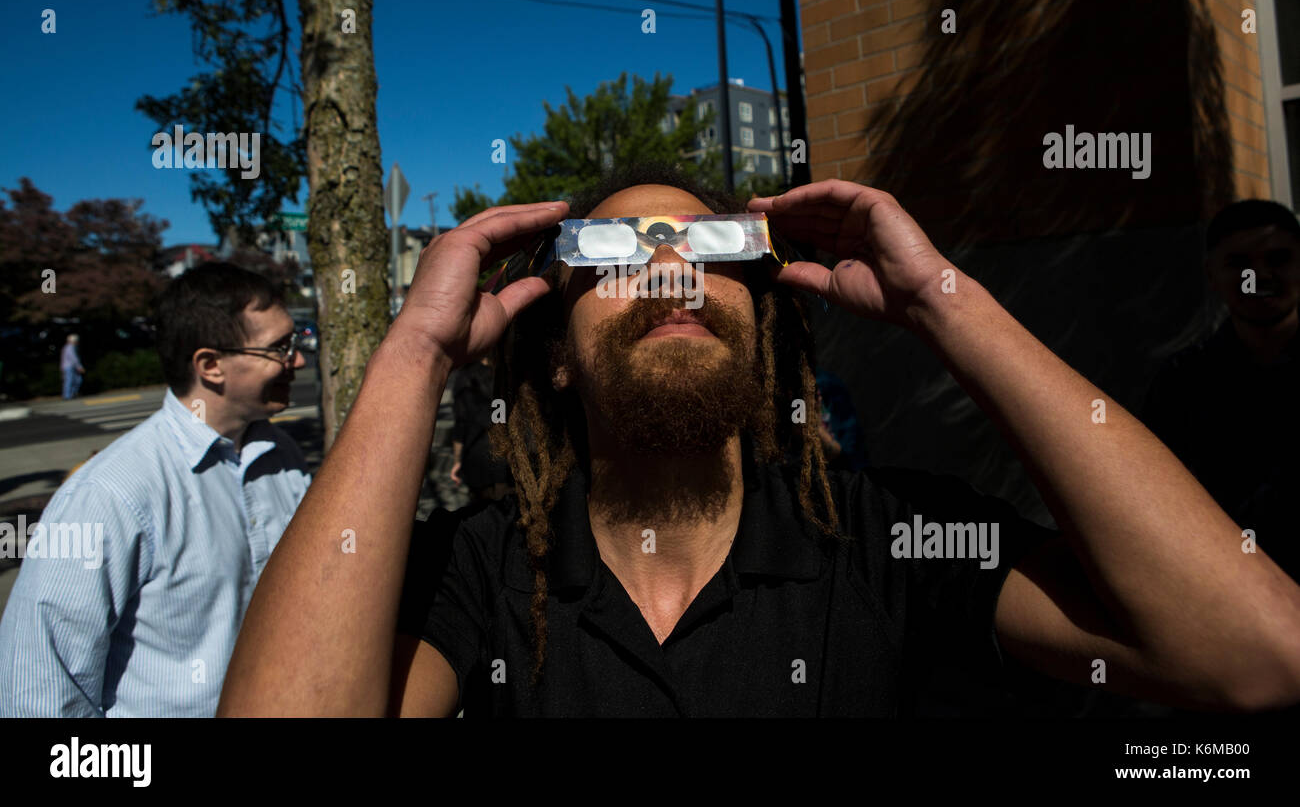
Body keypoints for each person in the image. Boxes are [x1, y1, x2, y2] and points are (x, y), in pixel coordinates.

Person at [219, 163, 1300, 717]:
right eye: (618, 253)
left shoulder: (898, 541)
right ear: (552, 351)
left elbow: (1261, 654)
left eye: (708, 248)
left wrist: (942, 301)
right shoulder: (478, 574)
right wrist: (413, 352)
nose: (669, 267)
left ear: (765, 326)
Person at [0, 262, 312, 716]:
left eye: (295, 341)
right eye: (279, 348)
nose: (298, 359)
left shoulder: (282, 455)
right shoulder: (110, 494)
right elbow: (40, 689)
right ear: (211, 366)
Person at [1142, 199, 1300, 580]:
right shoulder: (1182, 381)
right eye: (1239, 263)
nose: (1258, 276)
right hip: (1230, 593)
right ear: (1211, 275)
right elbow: (1157, 500)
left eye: (1278, 259)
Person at [449, 354, 512, 516]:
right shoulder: (503, 375)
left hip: (475, 456)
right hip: (501, 453)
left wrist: (457, 460)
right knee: (504, 511)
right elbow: (502, 418)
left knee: (481, 513)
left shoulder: (464, 377)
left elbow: (461, 424)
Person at [60, 333, 84, 400]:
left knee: (75, 380)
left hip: (69, 366)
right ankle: (68, 395)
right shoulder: (70, 347)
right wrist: (79, 366)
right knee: (70, 381)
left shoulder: (67, 347)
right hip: (69, 367)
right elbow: (73, 358)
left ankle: (71, 394)